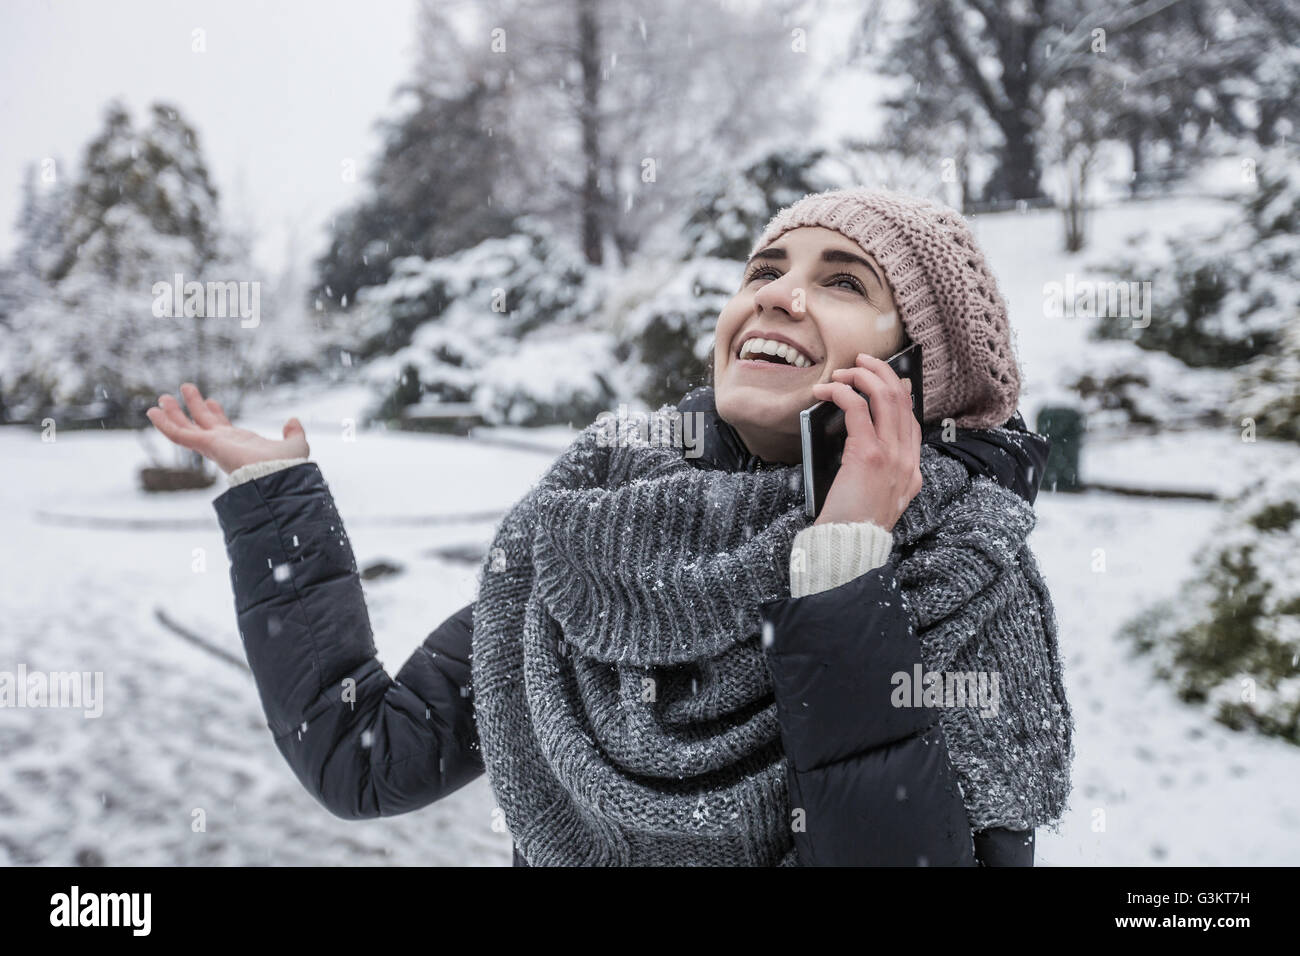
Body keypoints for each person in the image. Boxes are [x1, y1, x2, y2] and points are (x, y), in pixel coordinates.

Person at [146, 186, 1073, 866]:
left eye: (842, 281)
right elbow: (364, 758)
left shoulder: (964, 577)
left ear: (918, 371)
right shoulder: (597, 530)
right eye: (764, 269)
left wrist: (843, 570)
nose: (779, 295)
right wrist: (277, 499)